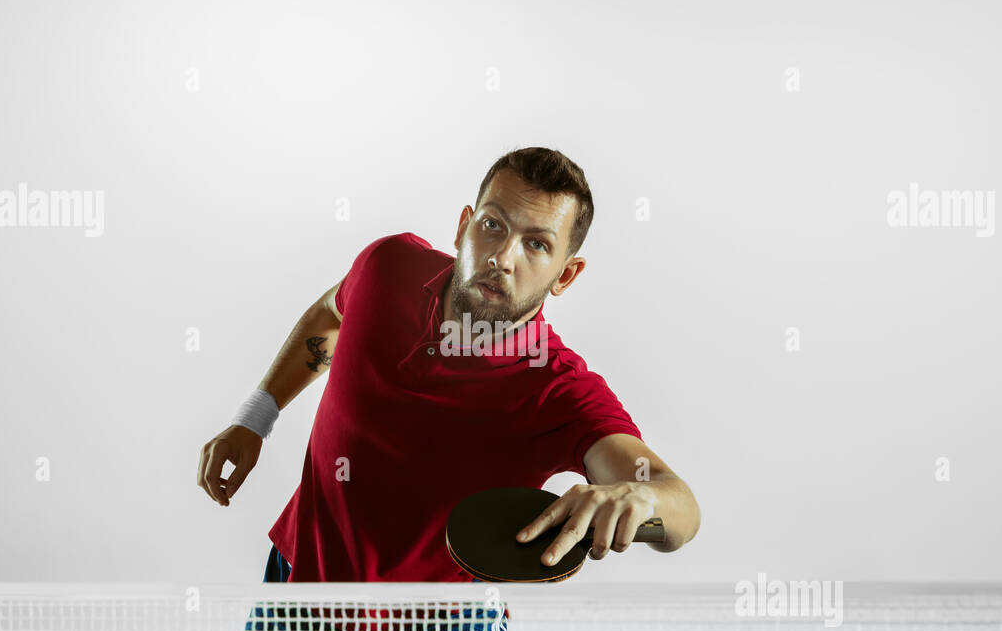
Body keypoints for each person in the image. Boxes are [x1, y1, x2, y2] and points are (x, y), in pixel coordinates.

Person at [198, 146, 701, 587]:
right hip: (299, 585)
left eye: (537, 244)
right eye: (493, 226)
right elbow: (331, 314)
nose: (502, 257)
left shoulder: (558, 389)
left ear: (565, 275)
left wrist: (644, 499)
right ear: (464, 226)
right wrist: (255, 417)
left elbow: (679, 504)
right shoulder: (387, 266)